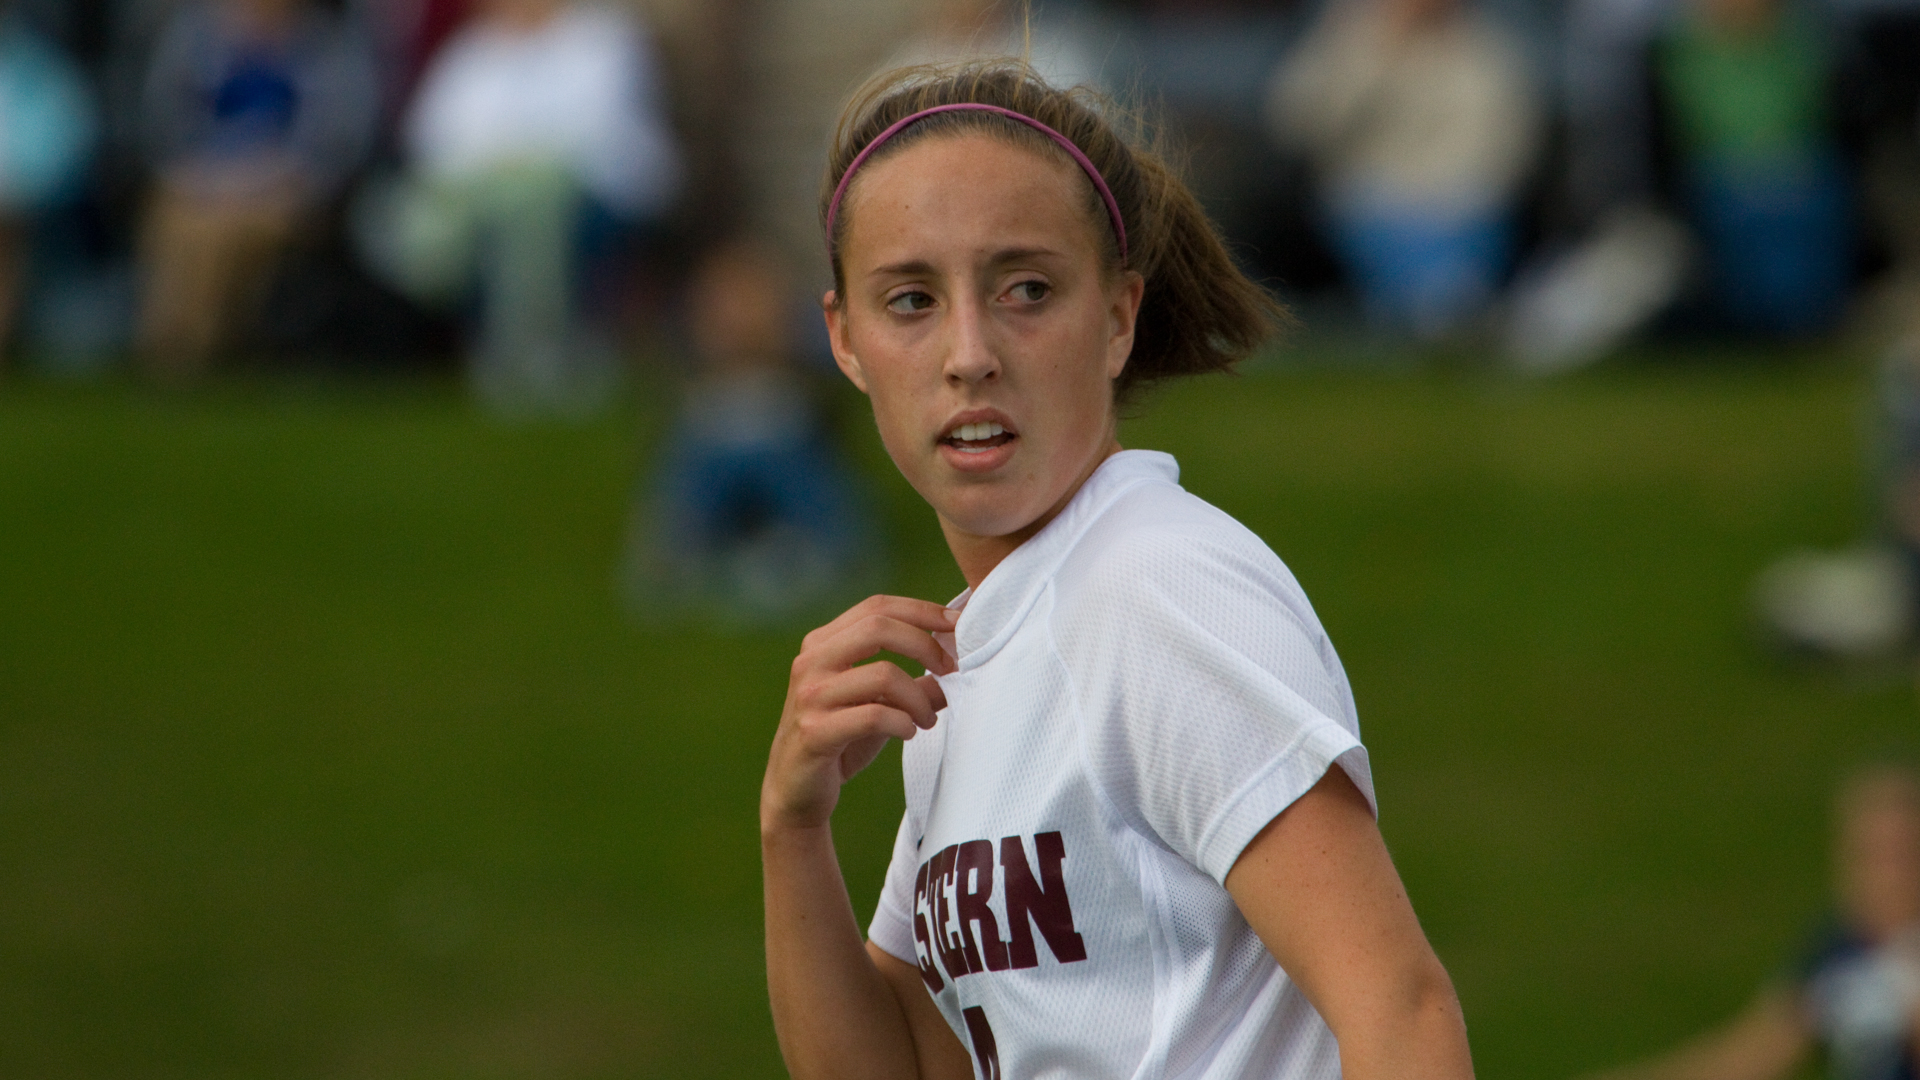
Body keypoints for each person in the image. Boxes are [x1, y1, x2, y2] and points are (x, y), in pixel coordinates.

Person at [759, 62, 1474, 1080]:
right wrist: (792, 826)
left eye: (1028, 290)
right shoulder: (975, 650)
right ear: (844, 337)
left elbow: (1402, 1014)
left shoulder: (1158, 587)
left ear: (1119, 317)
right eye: (912, 299)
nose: (970, 353)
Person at [363, 0, 679, 417]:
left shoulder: (602, 40)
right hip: (484, 199)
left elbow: (602, 132)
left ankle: (541, 350)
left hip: (597, 192)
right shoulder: (473, 51)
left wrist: (517, 160)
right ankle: (506, 348)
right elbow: (432, 140)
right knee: (411, 216)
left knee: (533, 204)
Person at [1581, 763, 1920, 1080]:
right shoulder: (1839, 950)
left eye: (1901, 853)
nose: (1888, 877)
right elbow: (1752, 1052)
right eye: (1870, 854)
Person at [626, 237, 876, 621]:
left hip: (782, 434)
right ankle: (676, 554)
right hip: (715, 438)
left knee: (803, 482)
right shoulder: (695, 366)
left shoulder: (797, 354)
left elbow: (824, 393)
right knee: (696, 485)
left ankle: (831, 550)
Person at [1266, 0, 1542, 339]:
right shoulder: (1347, 37)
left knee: (1457, 242)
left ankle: (1445, 306)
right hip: (1371, 199)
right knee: (1397, 232)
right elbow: (1301, 126)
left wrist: (1447, 194)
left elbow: (1507, 144)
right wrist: (1378, 51)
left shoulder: (1486, 48)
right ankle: (1439, 309)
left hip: (1464, 205)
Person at [135, 0, 379, 379]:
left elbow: (340, 140)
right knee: (184, 224)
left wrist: (270, 178)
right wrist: (204, 176)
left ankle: (197, 352)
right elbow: (164, 121)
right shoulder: (194, 35)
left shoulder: (326, 45)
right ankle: (177, 345)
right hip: (202, 181)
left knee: (218, 232)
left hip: (287, 190)